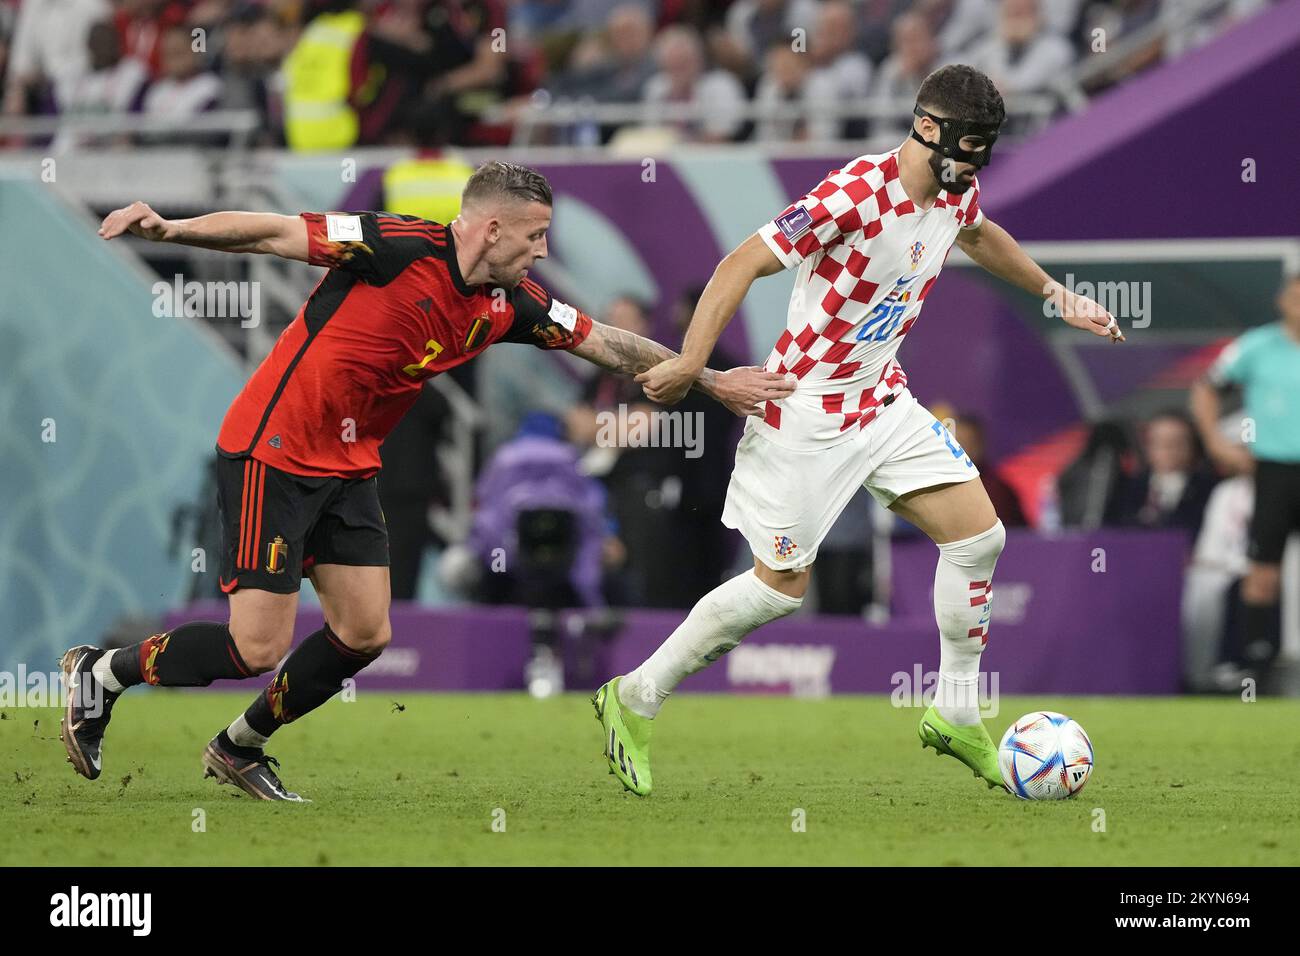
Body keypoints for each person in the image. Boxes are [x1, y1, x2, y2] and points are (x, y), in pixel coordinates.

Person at [60, 161, 795, 802]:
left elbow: (608, 344)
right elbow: (274, 233)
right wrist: (168, 230)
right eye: (535, 236)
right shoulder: (394, 245)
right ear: (492, 228)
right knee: (256, 649)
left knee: (364, 632)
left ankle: (239, 746)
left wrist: (712, 378)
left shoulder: (514, 302)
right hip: (272, 452)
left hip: (349, 470)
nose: (544, 251)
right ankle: (104, 673)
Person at [593, 64, 1124, 797]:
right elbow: (739, 264)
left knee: (979, 536)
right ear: (928, 129)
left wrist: (1055, 293)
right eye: (967, 146)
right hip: (804, 407)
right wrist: (692, 362)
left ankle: (954, 712)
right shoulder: (851, 195)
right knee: (780, 589)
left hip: (880, 398)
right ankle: (635, 696)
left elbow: (978, 233)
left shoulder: (955, 189)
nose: (974, 164)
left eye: (985, 150)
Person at [1190, 274, 1300, 685]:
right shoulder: (1257, 345)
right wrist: (1215, 442)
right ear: (1281, 300)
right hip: (1273, 470)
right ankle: (1256, 662)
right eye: (1295, 295)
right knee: (1263, 569)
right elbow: (1206, 387)